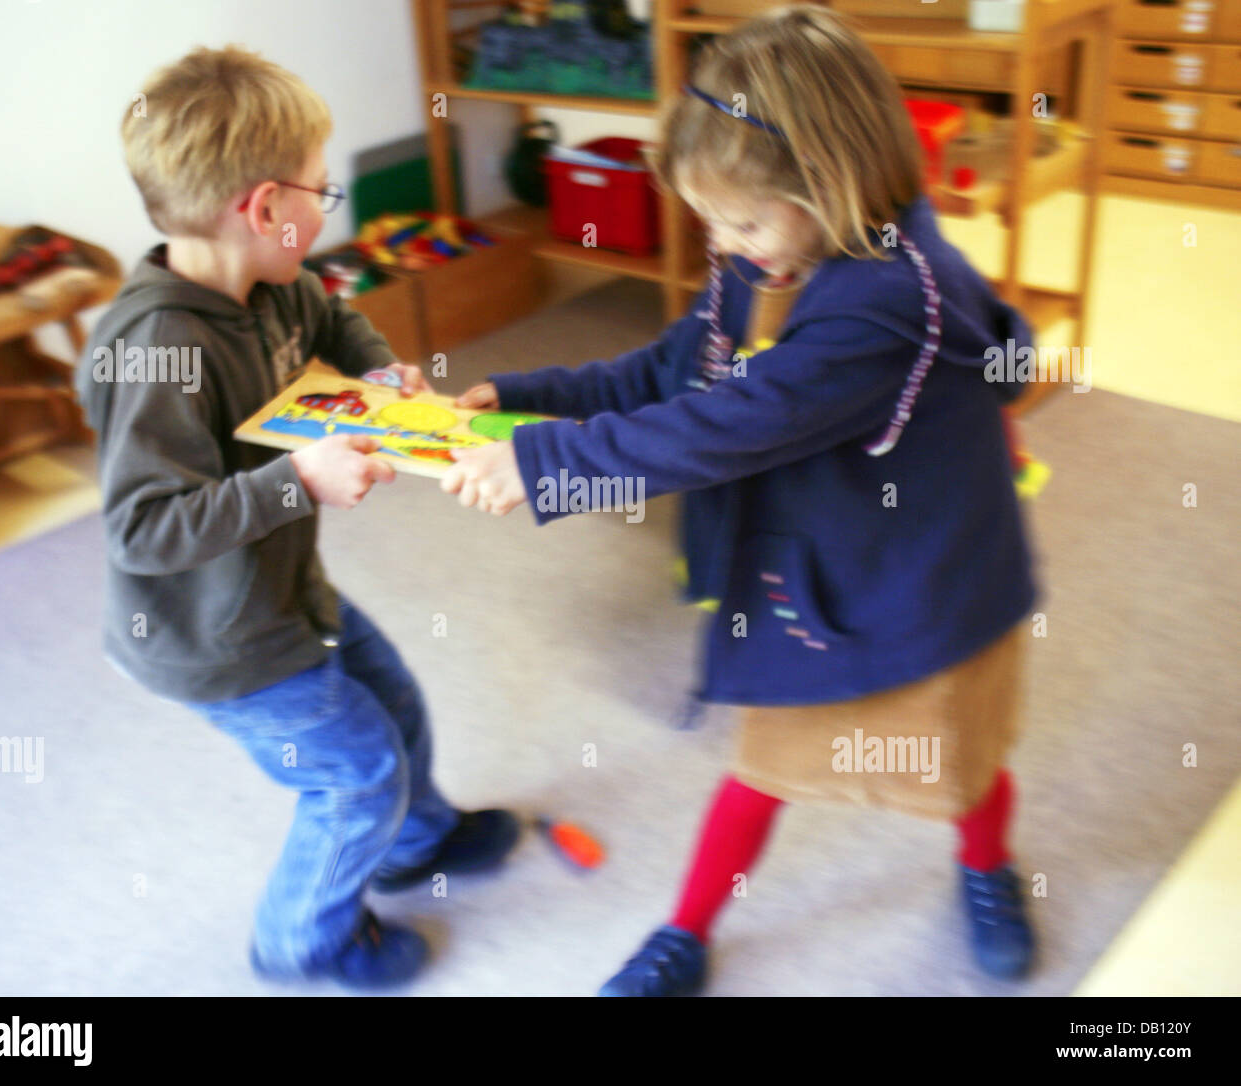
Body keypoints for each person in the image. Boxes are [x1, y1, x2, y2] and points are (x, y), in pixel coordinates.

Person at [445, 4, 1039, 995]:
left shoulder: (891, 299)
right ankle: (688, 929)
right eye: (710, 221)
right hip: (815, 581)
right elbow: (669, 375)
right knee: (762, 771)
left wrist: (546, 465)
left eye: (744, 220)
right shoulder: (765, 257)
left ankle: (985, 870)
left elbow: (726, 426)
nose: (723, 243)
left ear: (830, 181)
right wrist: (522, 398)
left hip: (929, 584)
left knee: (957, 764)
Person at [75, 44, 518, 990]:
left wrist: (380, 375)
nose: (327, 206)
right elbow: (141, 529)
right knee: (353, 778)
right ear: (264, 208)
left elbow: (335, 326)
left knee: (393, 703)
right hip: (217, 640)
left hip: (282, 590)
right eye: (323, 189)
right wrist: (297, 483)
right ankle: (301, 943)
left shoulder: (276, 278)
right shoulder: (155, 350)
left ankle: (416, 843)